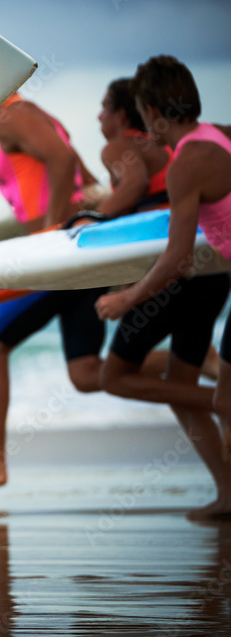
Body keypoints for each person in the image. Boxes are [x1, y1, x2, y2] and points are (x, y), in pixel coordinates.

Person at [0, 94, 109, 499]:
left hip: (58, 255)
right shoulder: (35, 113)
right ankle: (207, 372)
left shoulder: (11, 114)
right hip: (77, 248)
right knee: (86, 372)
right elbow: (84, 177)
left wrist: (50, 236)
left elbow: (61, 160)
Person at [95, 56, 231, 515]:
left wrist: (125, 298)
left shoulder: (186, 163)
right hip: (219, 279)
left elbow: (176, 259)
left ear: (153, 110)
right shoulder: (219, 133)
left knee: (223, 398)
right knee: (188, 386)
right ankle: (229, 494)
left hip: (200, 278)